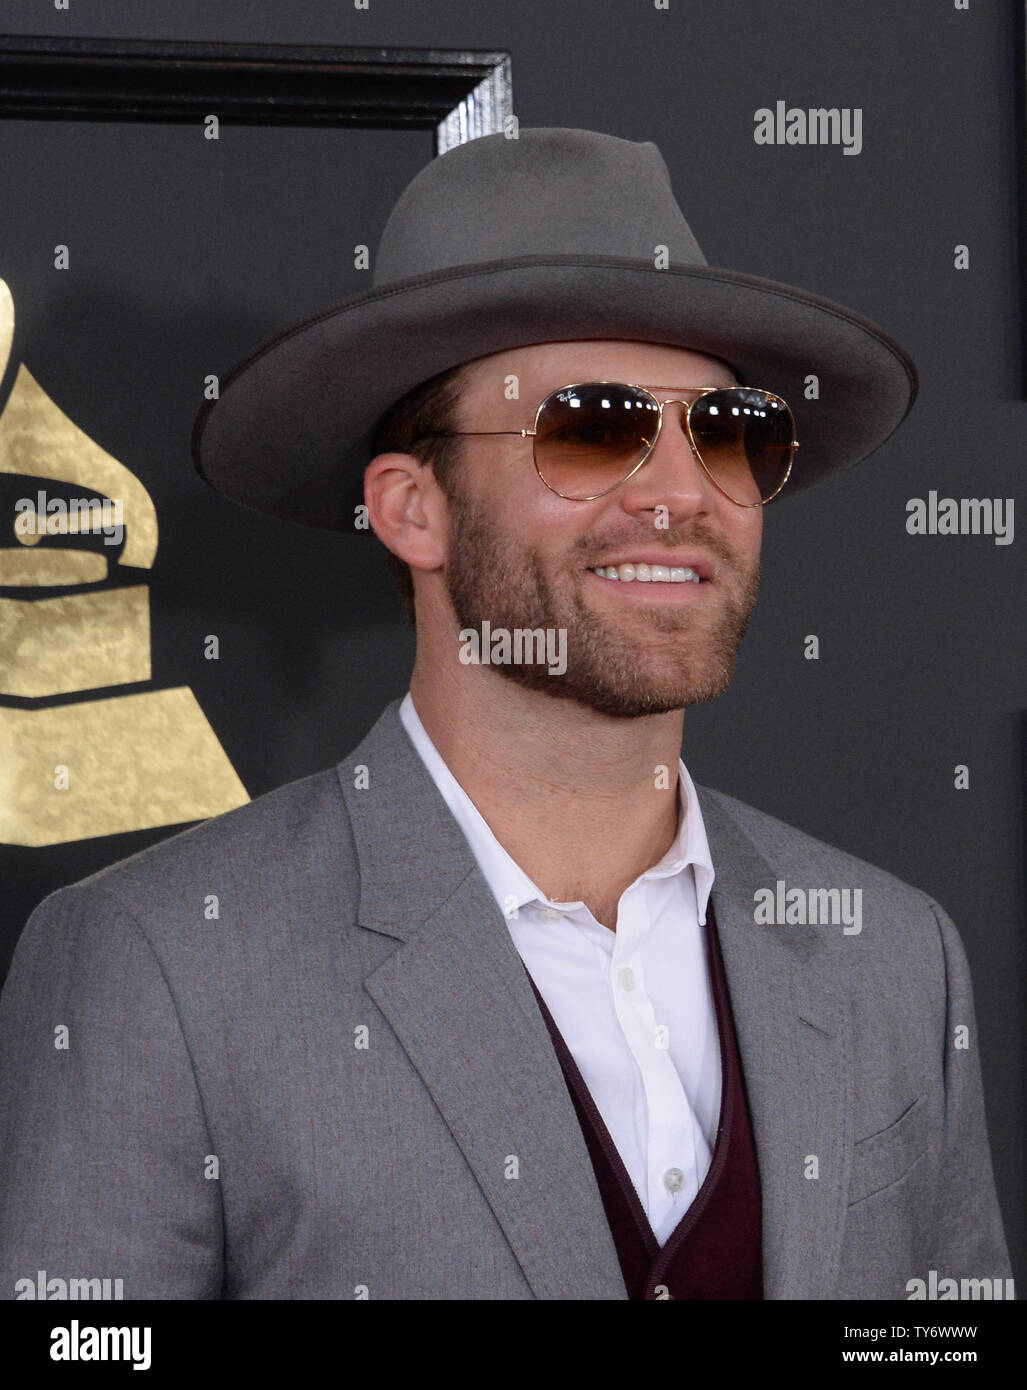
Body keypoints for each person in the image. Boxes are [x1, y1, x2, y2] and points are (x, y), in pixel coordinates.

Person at [0, 128, 1012, 1300]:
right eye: (592, 427)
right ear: (413, 509)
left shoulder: (890, 956)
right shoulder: (159, 968)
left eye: (730, 432)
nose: (683, 493)